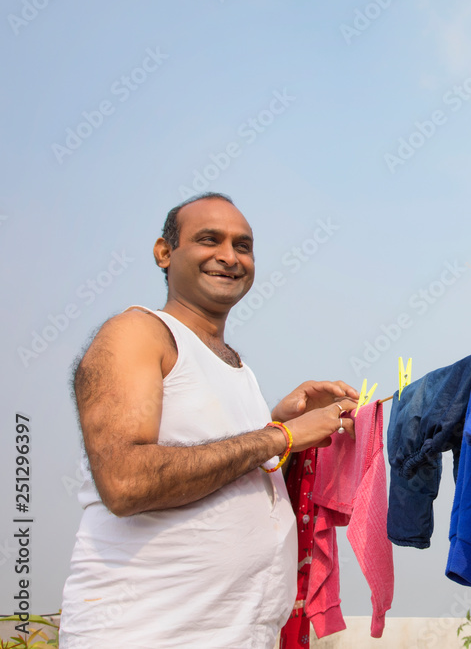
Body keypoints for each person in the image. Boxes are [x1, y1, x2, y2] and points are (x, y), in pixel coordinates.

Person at [60, 193, 359, 648]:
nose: (229, 256)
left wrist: (279, 424)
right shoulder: (137, 333)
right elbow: (124, 481)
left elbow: (224, 460)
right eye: (208, 239)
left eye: (243, 245)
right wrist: (278, 435)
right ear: (164, 252)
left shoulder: (237, 367)